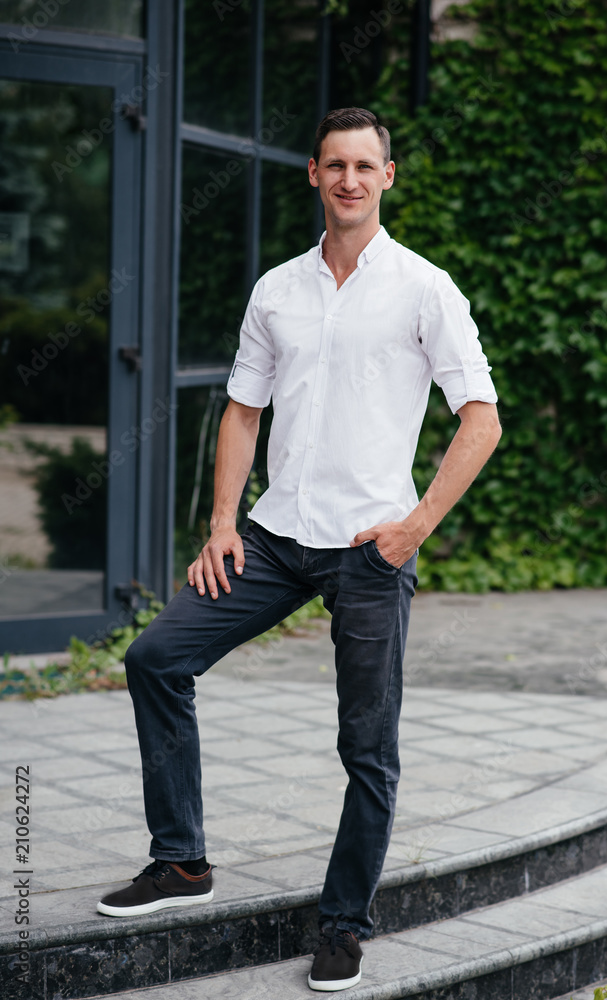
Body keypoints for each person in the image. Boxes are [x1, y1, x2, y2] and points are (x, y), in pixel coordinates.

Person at [97, 107, 502, 992]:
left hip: (370, 548)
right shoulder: (277, 288)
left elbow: (481, 418)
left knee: (368, 746)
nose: (350, 179)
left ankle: (343, 924)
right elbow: (244, 410)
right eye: (335, 165)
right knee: (157, 658)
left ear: (388, 177)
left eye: (366, 165)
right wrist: (220, 523)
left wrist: (416, 525)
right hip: (275, 538)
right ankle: (181, 864)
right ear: (313, 175)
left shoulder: (426, 289)